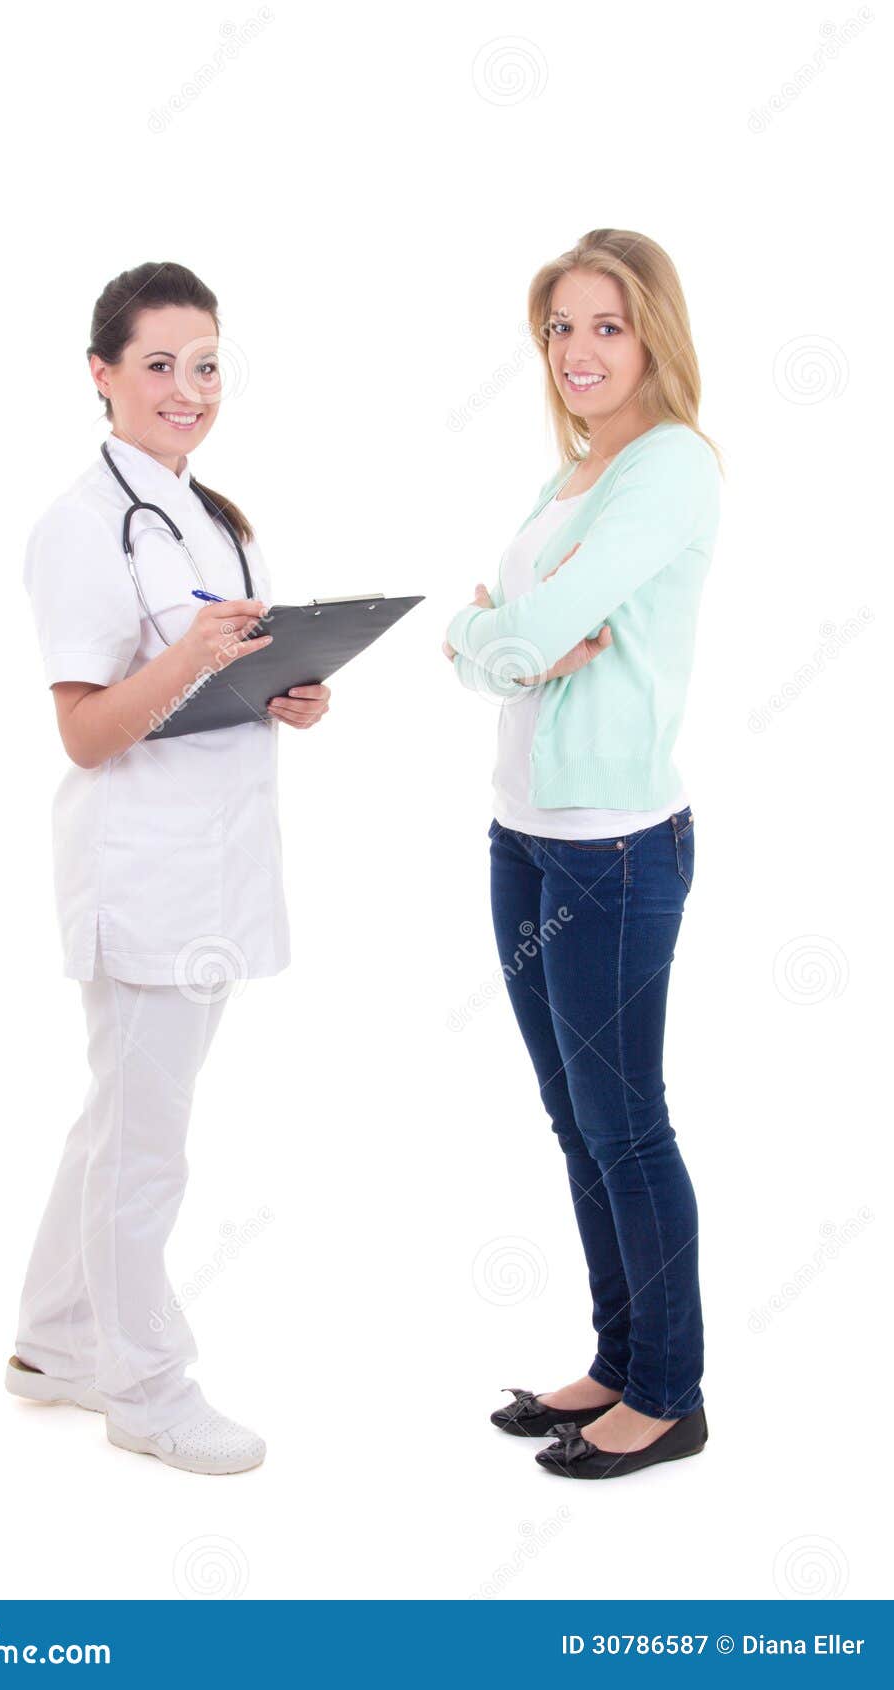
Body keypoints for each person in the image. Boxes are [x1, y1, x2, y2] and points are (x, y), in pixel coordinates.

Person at [6, 261, 330, 1476]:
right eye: (158, 364)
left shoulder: (209, 514)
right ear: (101, 375)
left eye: (205, 364)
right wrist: (192, 657)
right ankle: (144, 1386)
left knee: (115, 1123)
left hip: (214, 864)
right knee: (147, 1147)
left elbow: (205, 685)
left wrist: (282, 688)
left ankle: (50, 1341)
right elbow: (86, 728)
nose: (187, 388)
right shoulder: (79, 526)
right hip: (141, 876)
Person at [444, 229, 723, 1480]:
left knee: (625, 1126)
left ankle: (668, 1394)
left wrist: (493, 635)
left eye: (605, 325)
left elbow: (538, 623)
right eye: (559, 327)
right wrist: (485, 635)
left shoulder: (666, 469)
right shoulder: (571, 474)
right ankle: (617, 1360)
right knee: (574, 1119)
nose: (577, 351)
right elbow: (491, 633)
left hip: (612, 848)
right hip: (525, 837)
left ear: (651, 333)